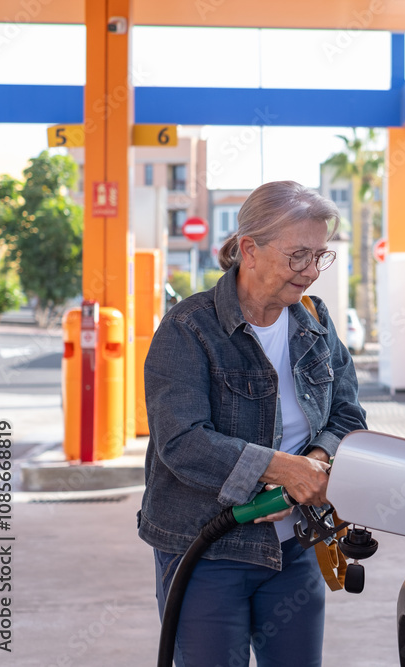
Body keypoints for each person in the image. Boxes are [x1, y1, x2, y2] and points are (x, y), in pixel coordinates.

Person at [137, 180, 367, 666]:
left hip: (296, 549)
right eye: (298, 255)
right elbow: (181, 441)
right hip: (206, 553)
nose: (310, 273)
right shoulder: (189, 329)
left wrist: (316, 465)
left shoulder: (314, 321)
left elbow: (348, 412)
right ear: (249, 250)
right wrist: (283, 470)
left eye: (319, 257)